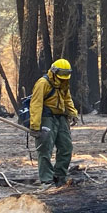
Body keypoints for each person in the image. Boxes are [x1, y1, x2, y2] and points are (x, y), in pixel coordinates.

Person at [29, 59, 78, 187]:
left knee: (66, 147)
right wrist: (35, 126)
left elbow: (67, 98)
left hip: (61, 117)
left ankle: (60, 176)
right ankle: (46, 179)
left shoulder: (64, 82)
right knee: (45, 148)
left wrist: (72, 113)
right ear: (54, 72)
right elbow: (36, 104)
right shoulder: (42, 83)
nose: (63, 80)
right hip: (46, 118)